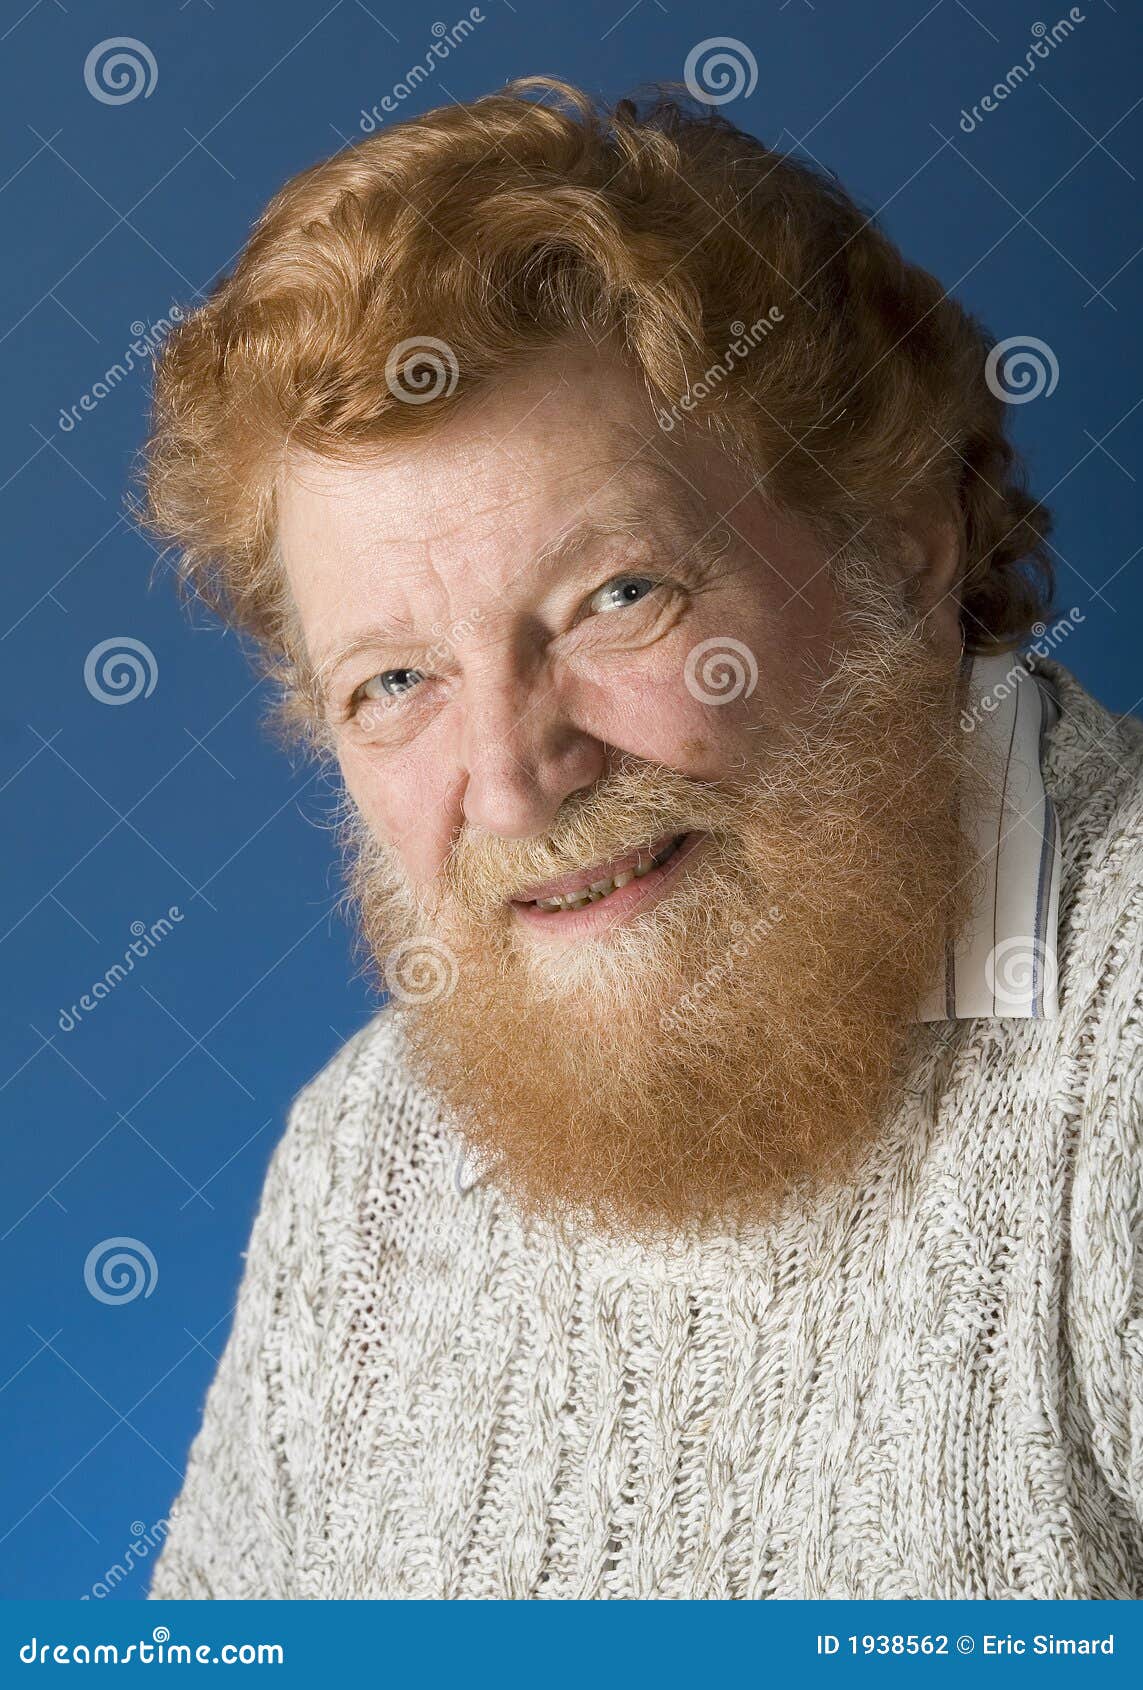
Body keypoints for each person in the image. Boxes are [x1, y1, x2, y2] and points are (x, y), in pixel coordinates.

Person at [138, 78, 1142, 1599]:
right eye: (394, 681)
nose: (517, 779)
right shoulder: (364, 1166)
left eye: (618, 597)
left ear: (901, 547)